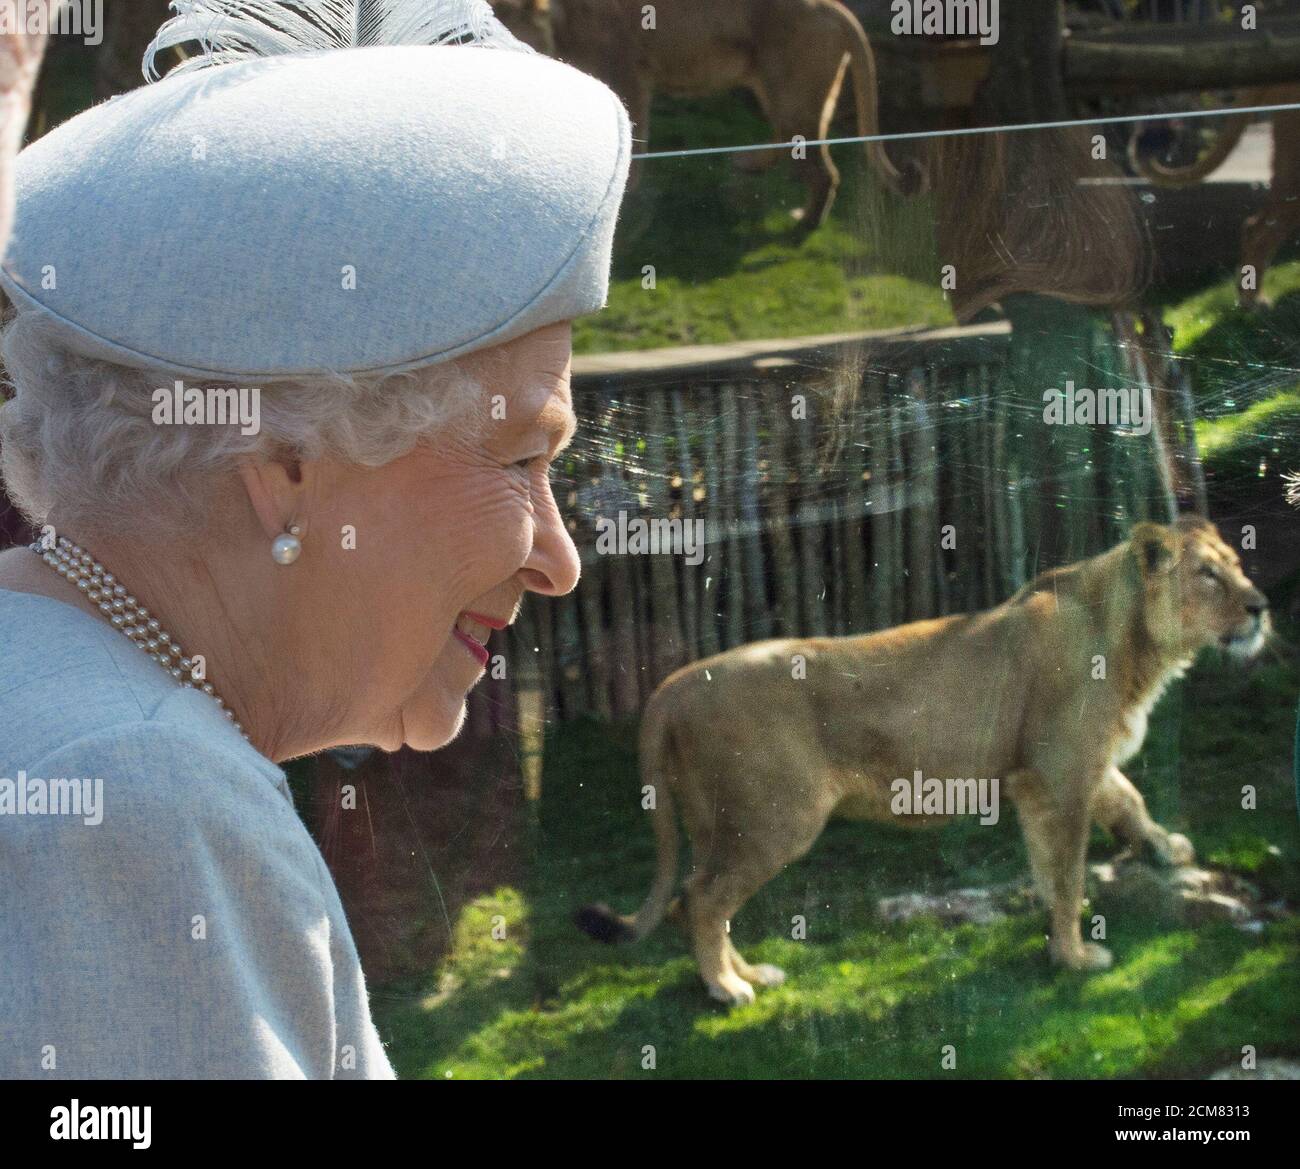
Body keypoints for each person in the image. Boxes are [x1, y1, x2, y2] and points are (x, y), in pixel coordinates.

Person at [0, 0, 630, 1078]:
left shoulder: (58, 681)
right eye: (521, 460)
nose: (557, 557)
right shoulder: (135, 792)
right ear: (288, 466)